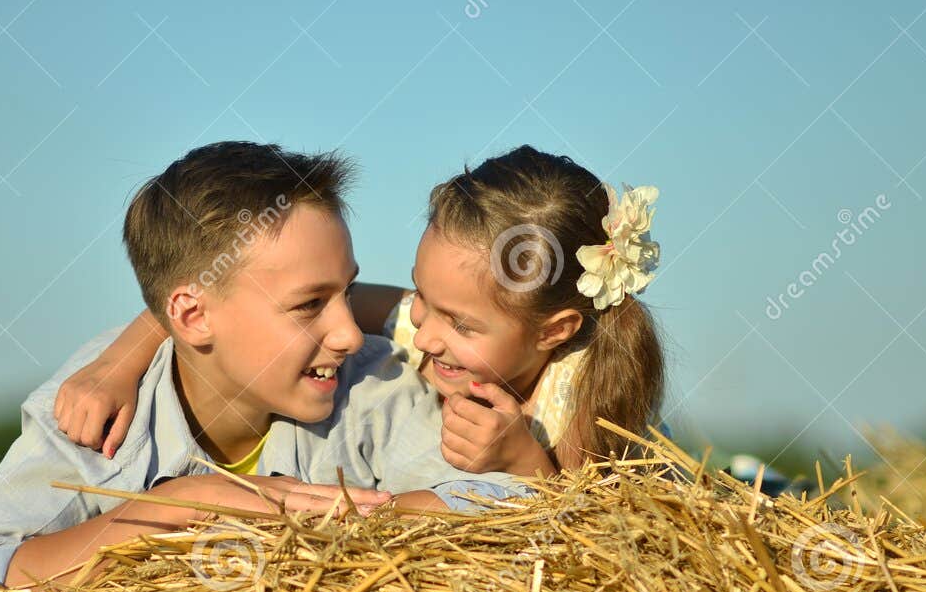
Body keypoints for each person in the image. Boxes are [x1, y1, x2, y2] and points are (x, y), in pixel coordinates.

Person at [0, 141, 530, 592]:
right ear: (190, 315)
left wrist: (361, 514)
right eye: (309, 304)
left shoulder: (373, 384)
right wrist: (184, 504)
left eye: (346, 292)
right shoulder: (102, 412)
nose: (347, 333)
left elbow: (515, 505)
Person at [54, 146, 670, 477]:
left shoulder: (584, 392)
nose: (424, 335)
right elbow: (201, 300)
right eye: (422, 299)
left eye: (461, 324)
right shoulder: (425, 322)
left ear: (553, 331)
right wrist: (116, 366)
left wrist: (522, 461)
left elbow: (575, 545)